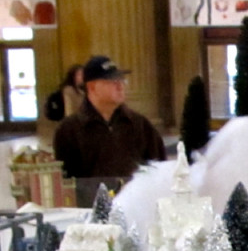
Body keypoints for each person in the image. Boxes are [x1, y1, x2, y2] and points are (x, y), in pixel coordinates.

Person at [54, 55, 166, 207]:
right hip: (92, 211)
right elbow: (67, 181)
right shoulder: (69, 130)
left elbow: (158, 168)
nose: (120, 86)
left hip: (135, 208)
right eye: (112, 82)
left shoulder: (139, 124)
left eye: (121, 80)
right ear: (91, 87)